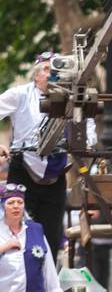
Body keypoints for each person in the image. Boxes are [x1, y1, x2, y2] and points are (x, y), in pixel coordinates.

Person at [0, 52, 72, 262]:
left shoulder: (70, 97)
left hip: (56, 173)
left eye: (56, 71)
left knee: (50, 236)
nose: (52, 75)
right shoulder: (20, 94)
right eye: (47, 70)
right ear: (36, 76)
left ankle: (46, 288)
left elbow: (87, 123)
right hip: (24, 171)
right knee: (16, 230)